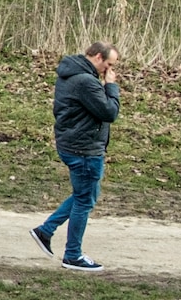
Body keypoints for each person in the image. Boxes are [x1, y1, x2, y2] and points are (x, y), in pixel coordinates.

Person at [32, 42, 121, 274]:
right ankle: (72, 254)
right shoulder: (85, 81)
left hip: (74, 144)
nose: (109, 70)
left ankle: (46, 230)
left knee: (86, 195)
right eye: (109, 64)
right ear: (98, 57)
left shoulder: (71, 73)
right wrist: (111, 87)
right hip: (84, 149)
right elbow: (109, 112)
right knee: (84, 200)